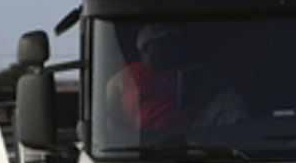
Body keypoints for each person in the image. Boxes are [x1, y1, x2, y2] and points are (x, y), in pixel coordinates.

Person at [105, 23, 246, 133]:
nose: (170, 47)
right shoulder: (120, 81)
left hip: (196, 132)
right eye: (163, 43)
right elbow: (112, 122)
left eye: (171, 42)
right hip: (150, 144)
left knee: (228, 101)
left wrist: (205, 90)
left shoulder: (184, 71)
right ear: (147, 48)